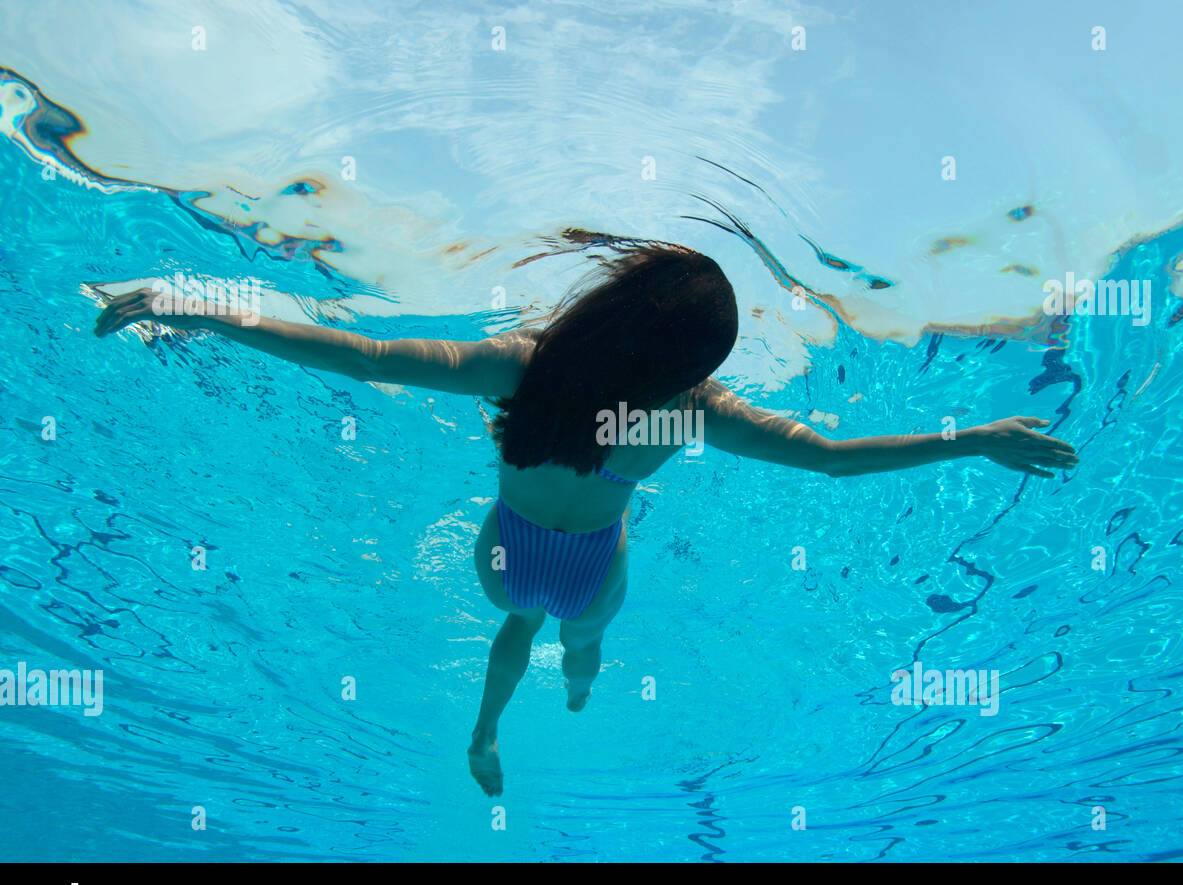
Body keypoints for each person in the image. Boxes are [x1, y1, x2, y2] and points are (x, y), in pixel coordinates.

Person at [94, 244, 1078, 796]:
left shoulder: (519, 364)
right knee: (583, 628)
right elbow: (829, 460)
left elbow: (353, 352)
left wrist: (188, 301)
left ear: (608, 304)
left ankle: (485, 731)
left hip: (499, 557)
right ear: (690, 365)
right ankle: (577, 683)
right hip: (591, 567)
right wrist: (971, 436)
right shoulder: (696, 411)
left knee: (512, 618)